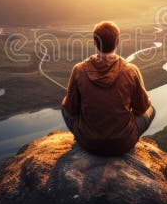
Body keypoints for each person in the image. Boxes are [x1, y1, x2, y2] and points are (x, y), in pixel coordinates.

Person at [61, 21, 156, 155]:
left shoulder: (79, 70)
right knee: (151, 109)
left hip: (88, 143)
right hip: (122, 144)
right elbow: (141, 108)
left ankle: (86, 135)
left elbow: (70, 109)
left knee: (64, 107)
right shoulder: (130, 70)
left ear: (94, 42)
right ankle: (126, 137)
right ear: (117, 42)